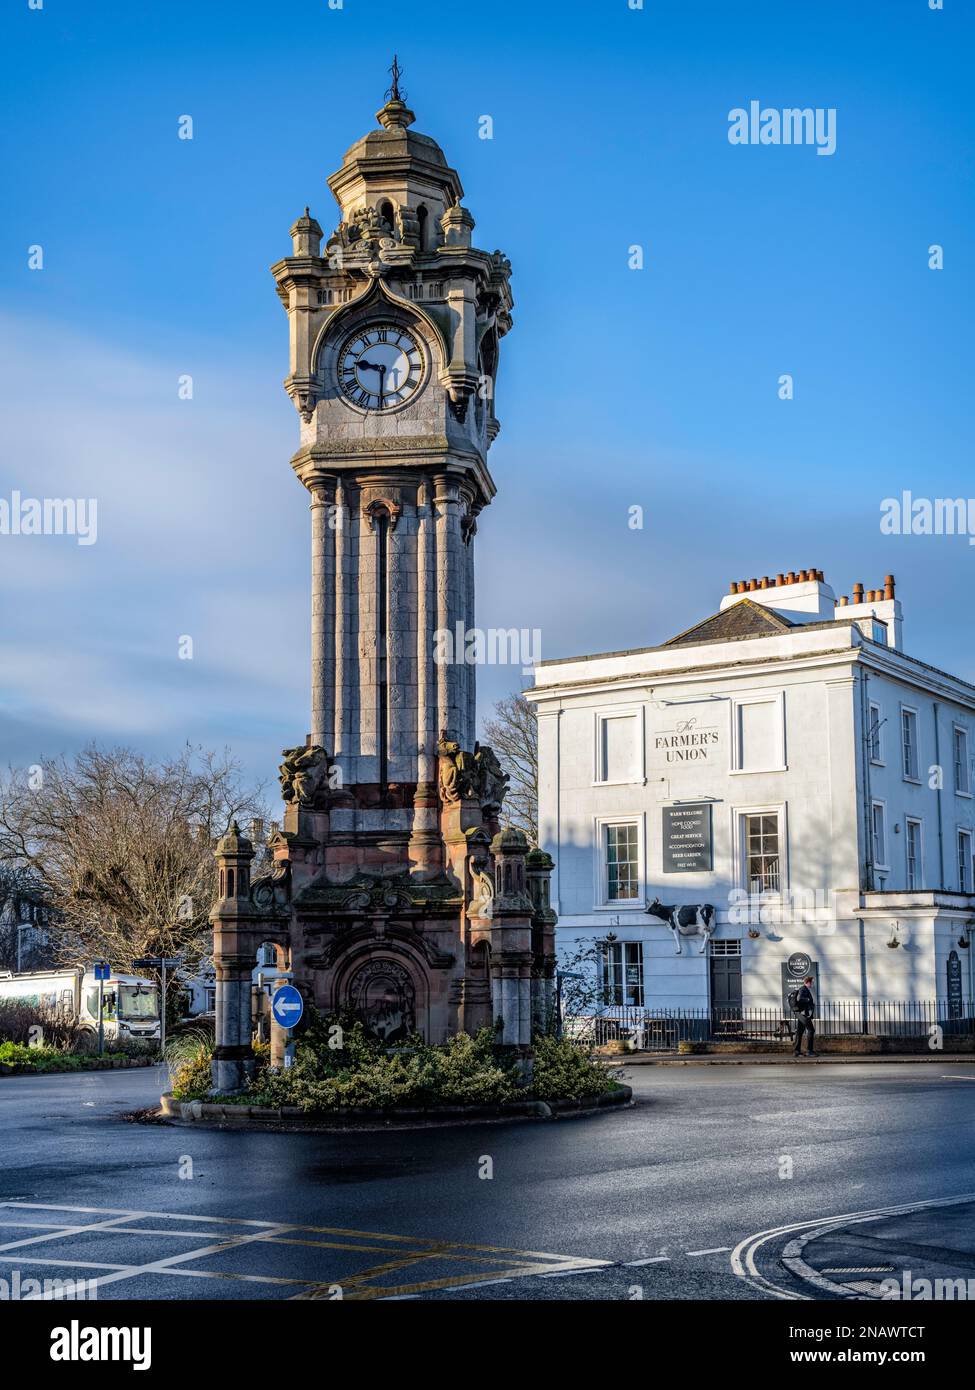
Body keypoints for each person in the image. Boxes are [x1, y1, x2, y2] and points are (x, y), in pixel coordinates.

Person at [792, 975, 816, 1057]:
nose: (813, 984)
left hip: (801, 1014)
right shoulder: (803, 989)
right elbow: (799, 999)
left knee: (799, 1032)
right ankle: (809, 1051)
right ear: (808, 982)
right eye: (812, 982)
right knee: (811, 1030)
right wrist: (808, 1000)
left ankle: (796, 1051)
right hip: (803, 1014)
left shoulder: (803, 989)